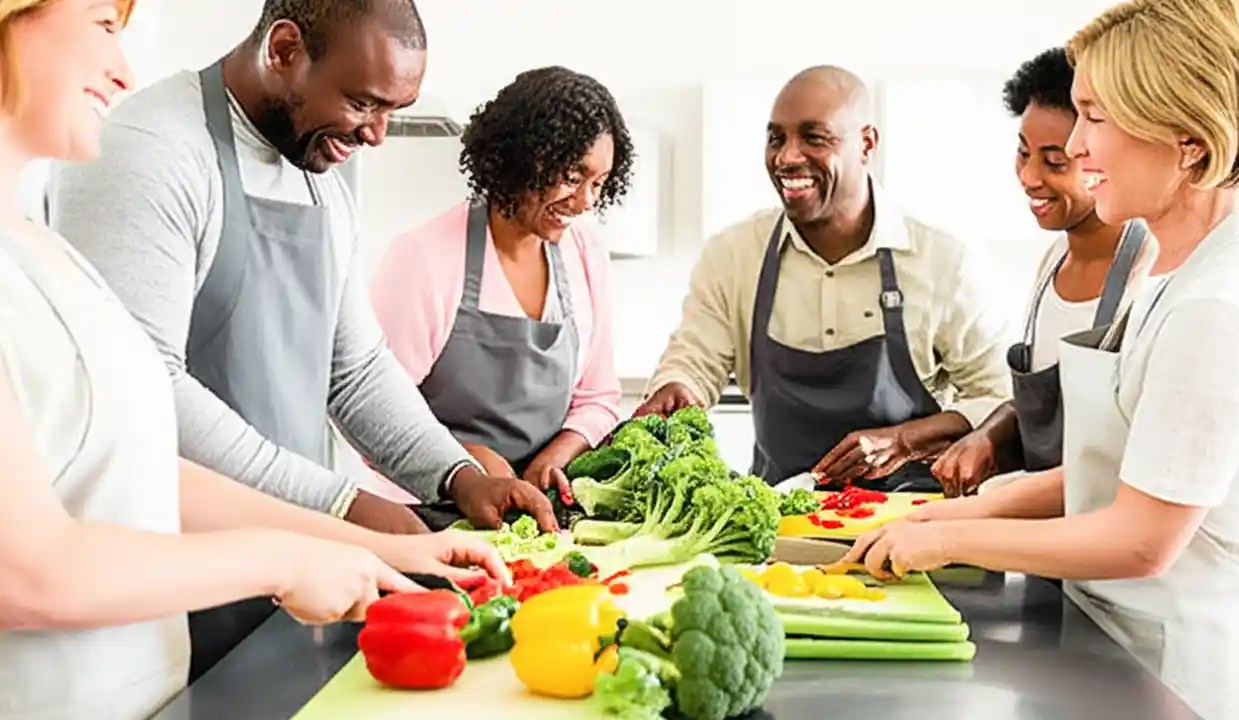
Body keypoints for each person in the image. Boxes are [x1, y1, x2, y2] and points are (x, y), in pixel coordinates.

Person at [0, 1, 506, 717]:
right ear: (285, 49)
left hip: (174, 654)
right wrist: (308, 535)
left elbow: (143, 450)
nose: (123, 71)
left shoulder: (38, 251)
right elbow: (27, 572)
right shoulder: (147, 148)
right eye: (104, 27)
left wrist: (426, 496)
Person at [845, 1, 1239, 717]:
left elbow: (1142, 540)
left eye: (1095, 118)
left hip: (1185, 676)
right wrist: (966, 511)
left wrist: (956, 538)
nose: (1076, 148)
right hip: (1119, 643)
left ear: (1189, 140)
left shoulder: (1217, 307)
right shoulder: (1171, 271)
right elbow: (1135, 469)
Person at [634, 65, 1013, 492]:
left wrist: (903, 441)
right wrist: (677, 389)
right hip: (783, 525)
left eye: (814, 138)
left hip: (914, 525)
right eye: (776, 138)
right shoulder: (735, 255)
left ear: (867, 143)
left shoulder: (945, 262)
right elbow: (694, 358)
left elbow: (1000, 401)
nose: (787, 157)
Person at [371, 66, 630, 512]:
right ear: (523, 160)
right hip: (432, 507)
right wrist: (464, 462)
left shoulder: (584, 253)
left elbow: (598, 396)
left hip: (542, 507)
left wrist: (557, 456)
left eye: (598, 183)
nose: (587, 201)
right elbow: (374, 413)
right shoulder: (424, 257)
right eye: (572, 175)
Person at [930, 47, 1158, 497]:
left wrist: (990, 509)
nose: (1030, 177)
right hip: (1046, 540)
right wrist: (988, 435)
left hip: (1111, 541)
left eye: (1055, 161)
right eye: (1023, 153)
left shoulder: (1150, 269)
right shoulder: (1052, 260)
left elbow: (1134, 454)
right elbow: (1047, 409)